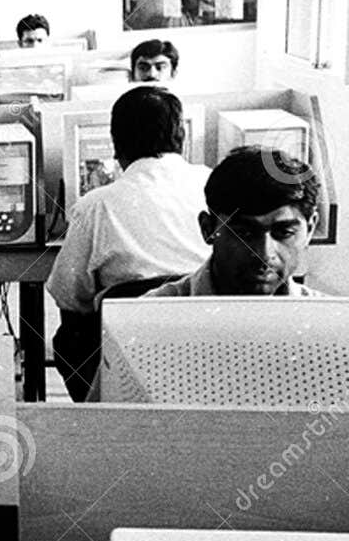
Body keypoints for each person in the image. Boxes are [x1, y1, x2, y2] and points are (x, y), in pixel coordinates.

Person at [46, 87, 212, 400]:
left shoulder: (95, 205)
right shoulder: (213, 185)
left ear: (116, 145)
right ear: (181, 137)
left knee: (69, 335)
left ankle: (98, 408)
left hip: (127, 355)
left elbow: (69, 295)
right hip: (208, 349)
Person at [149, 146, 321, 297]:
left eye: (284, 233)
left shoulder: (330, 318)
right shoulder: (149, 316)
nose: (264, 255)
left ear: (310, 229)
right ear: (208, 229)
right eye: (244, 234)